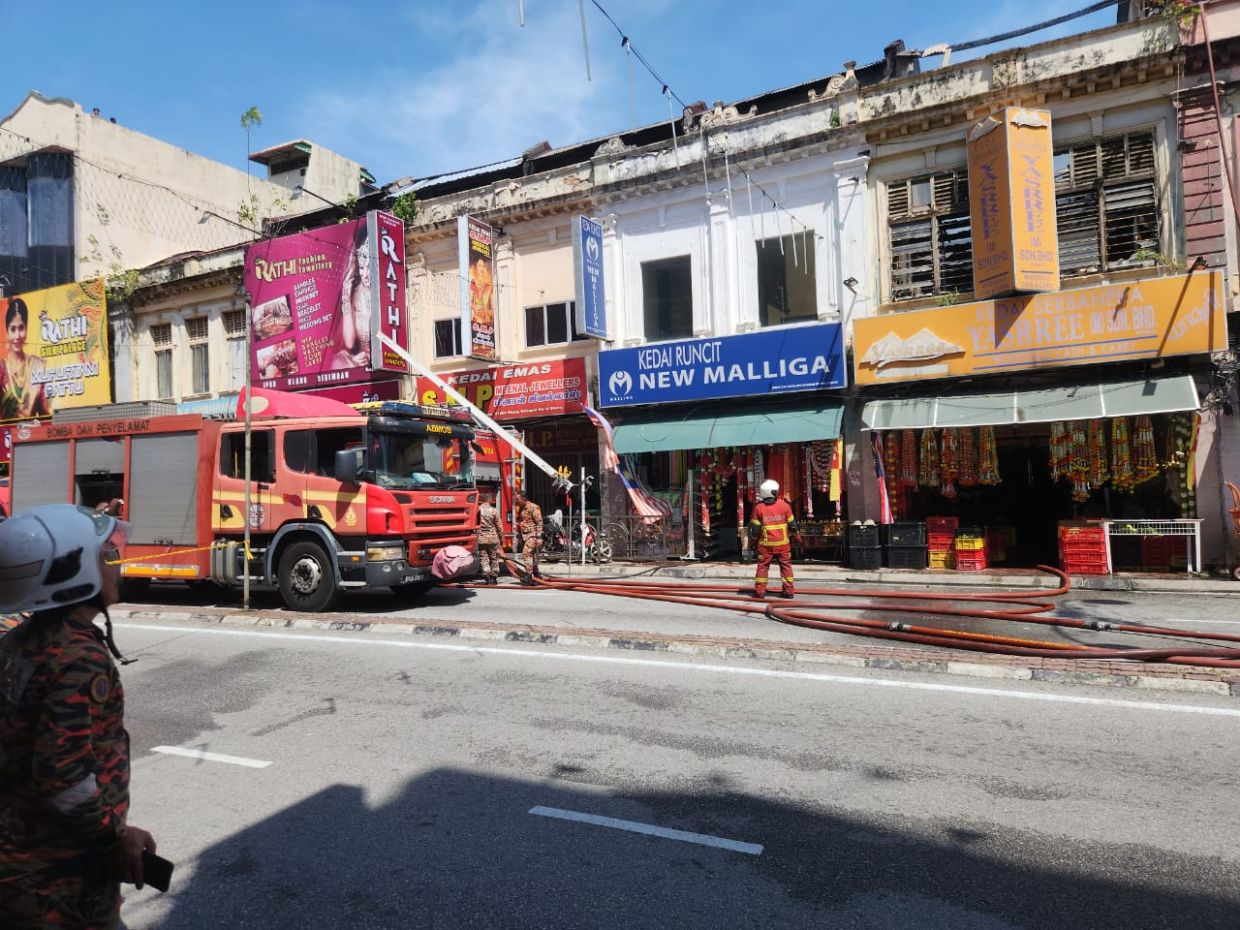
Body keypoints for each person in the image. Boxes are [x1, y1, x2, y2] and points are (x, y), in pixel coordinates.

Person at [0, 504, 158, 928]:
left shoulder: (21, 639)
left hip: (20, 858)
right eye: (104, 556)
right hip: (57, 879)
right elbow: (64, 779)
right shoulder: (77, 657)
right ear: (72, 571)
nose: (116, 566)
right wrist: (117, 835)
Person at [1, 298, 51, 420]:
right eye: (13, 329)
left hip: (34, 435)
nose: (17, 336)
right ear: (7, 332)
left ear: (26, 329)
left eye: (21, 328)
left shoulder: (38, 365)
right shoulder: (1, 368)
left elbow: (46, 415)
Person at [749, 478, 799, 599]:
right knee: (786, 566)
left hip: (765, 546)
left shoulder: (758, 508)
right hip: (783, 545)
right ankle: (788, 591)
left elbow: (755, 531)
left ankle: (760, 591)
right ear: (774, 492)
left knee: (763, 567)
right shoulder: (785, 506)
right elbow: (793, 526)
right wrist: (797, 538)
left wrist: (753, 543)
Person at [331, 224, 372, 371]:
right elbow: (349, 343)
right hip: (360, 364)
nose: (365, 274)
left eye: (370, 267)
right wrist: (346, 301)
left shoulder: (390, 290)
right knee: (336, 364)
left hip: (388, 362)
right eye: (361, 268)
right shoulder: (356, 292)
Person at [514, 492, 543, 586]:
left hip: (532, 535)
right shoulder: (521, 508)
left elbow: (539, 522)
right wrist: (518, 536)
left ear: (524, 499)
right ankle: (537, 576)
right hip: (524, 536)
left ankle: (529, 575)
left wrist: (539, 537)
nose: (516, 501)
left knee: (526, 553)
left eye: (518, 499)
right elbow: (521, 522)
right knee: (531, 556)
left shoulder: (534, 507)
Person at [476, 492, 504, 585]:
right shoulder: (494, 511)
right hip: (493, 538)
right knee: (494, 557)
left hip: (481, 538)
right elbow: (499, 527)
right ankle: (494, 577)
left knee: (484, 557)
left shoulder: (477, 510)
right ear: (489, 500)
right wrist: (501, 539)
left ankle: (487, 575)